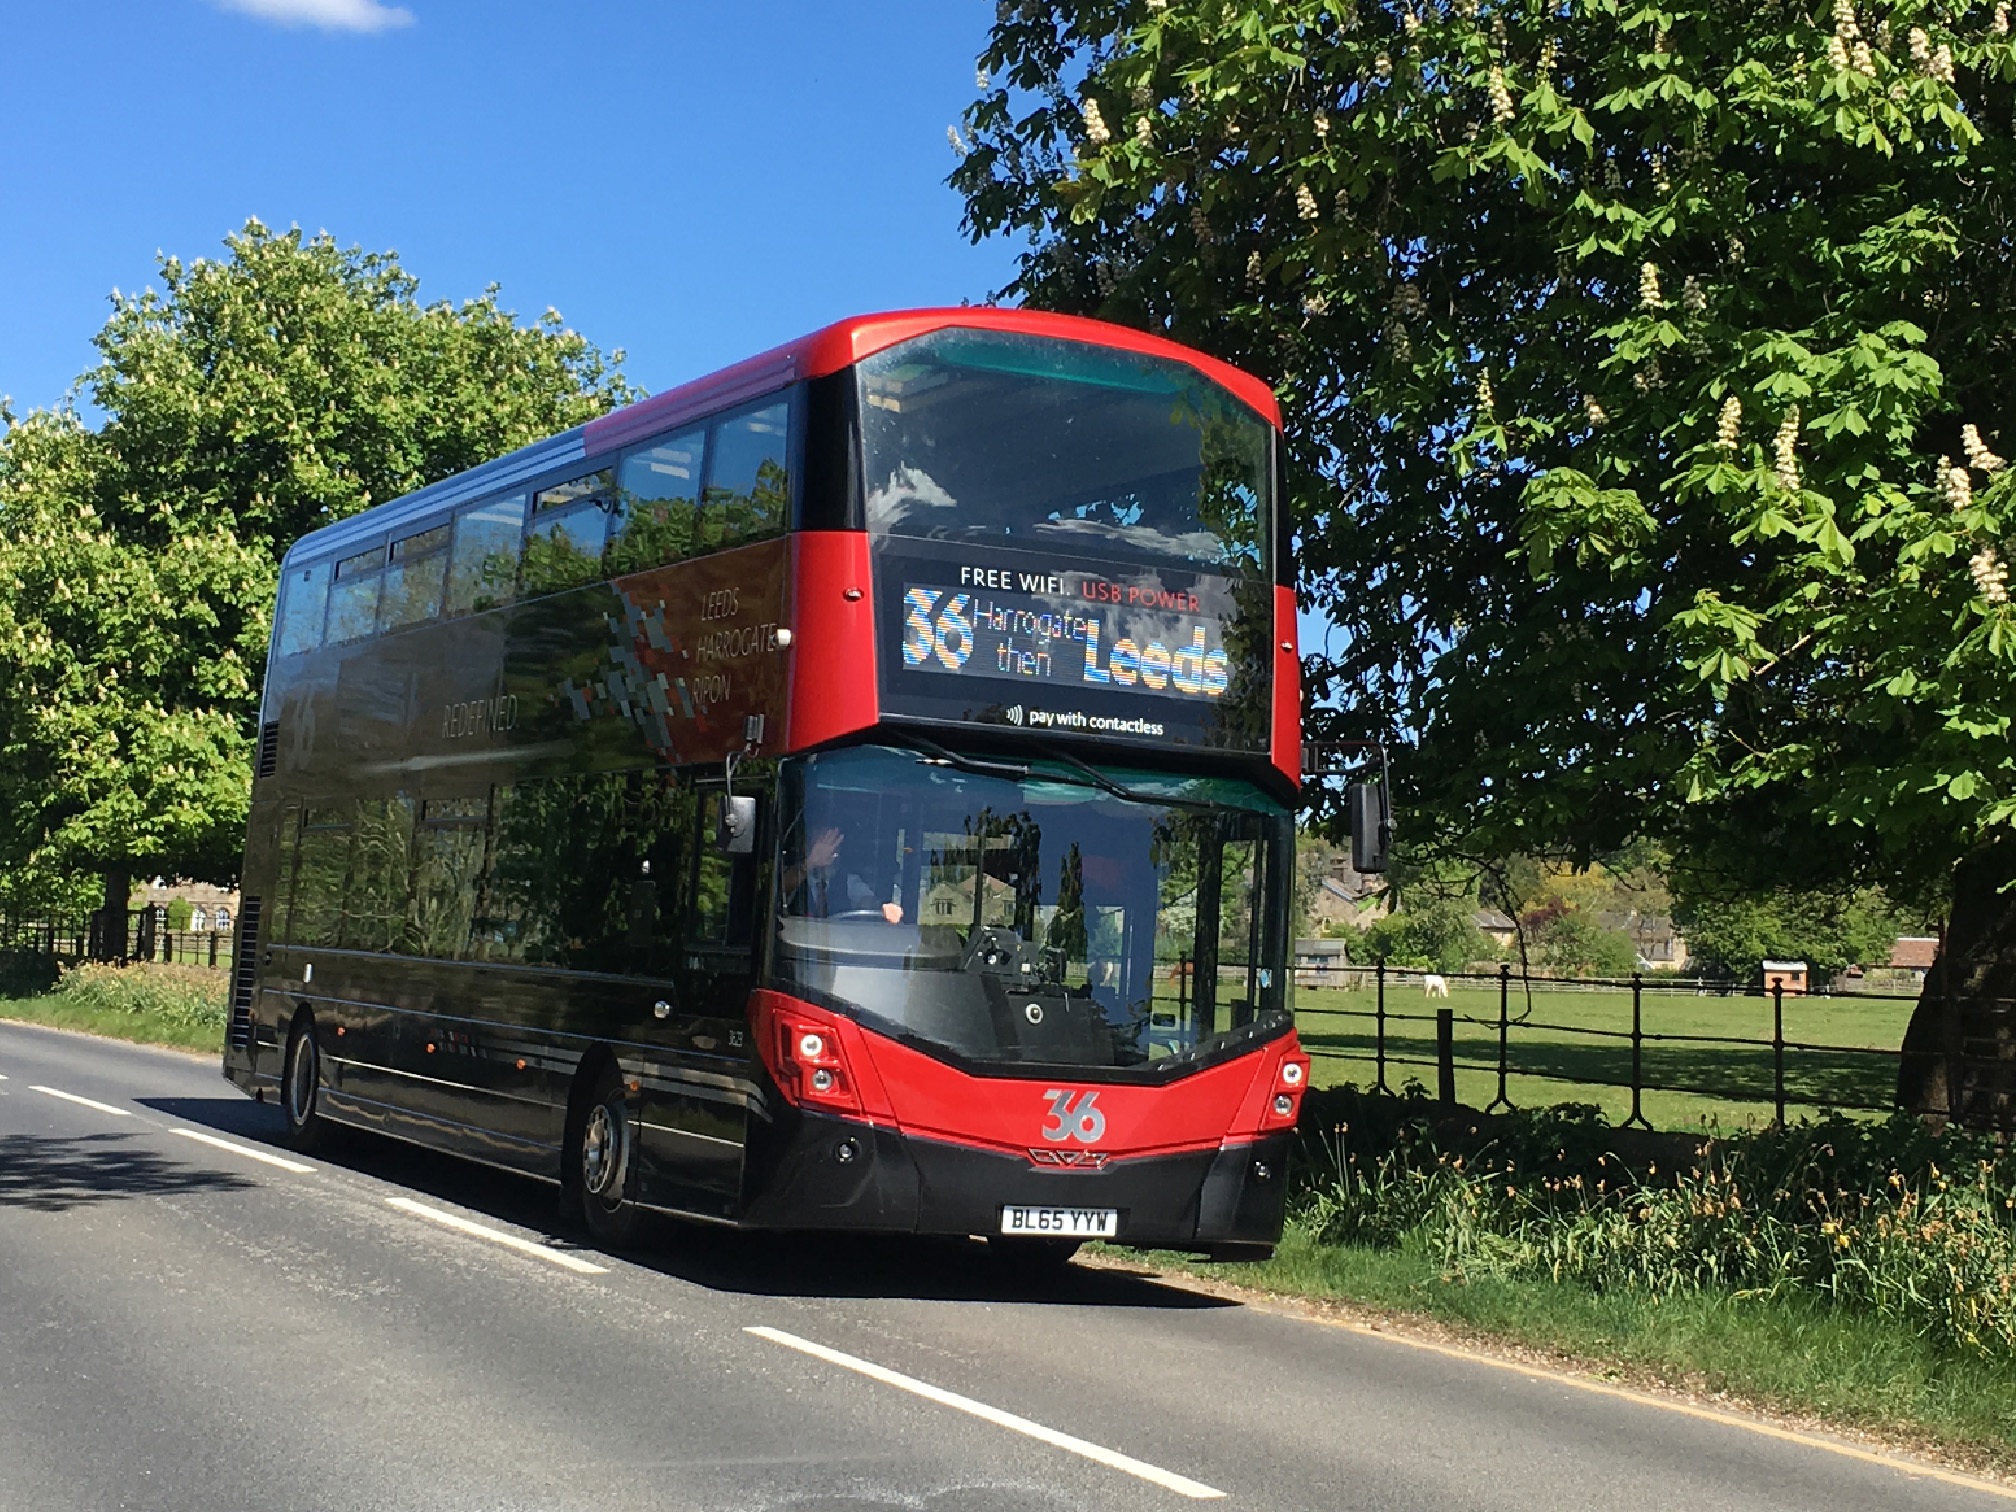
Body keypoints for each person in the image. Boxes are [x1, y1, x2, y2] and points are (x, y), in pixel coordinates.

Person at [782, 826, 904, 923]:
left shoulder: (849, 881)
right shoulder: (793, 875)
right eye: (822, 847)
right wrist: (810, 863)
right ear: (806, 847)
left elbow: (865, 900)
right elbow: (780, 890)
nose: (829, 853)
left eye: (835, 846)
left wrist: (882, 907)